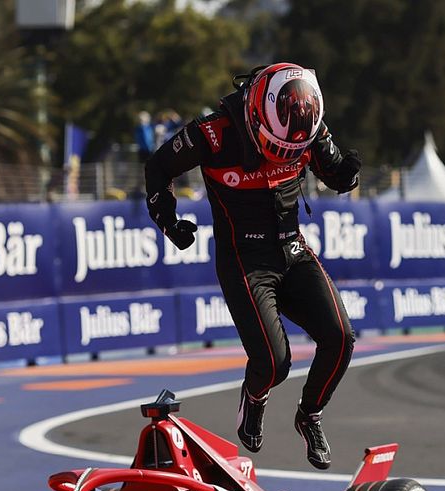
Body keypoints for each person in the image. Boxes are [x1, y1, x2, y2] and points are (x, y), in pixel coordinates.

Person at [144, 63, 361, 469]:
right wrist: (167, 219)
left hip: (292, 249)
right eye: (273, 147)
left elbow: (334, 173)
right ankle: (255, 396)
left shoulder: (308, 124)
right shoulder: (214, 132)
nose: (280, 157)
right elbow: (158, 166)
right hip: (244, 259)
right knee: (274, 363)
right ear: (257, 115)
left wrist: (346, 175)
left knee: (342, 338)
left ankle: (309, 414)